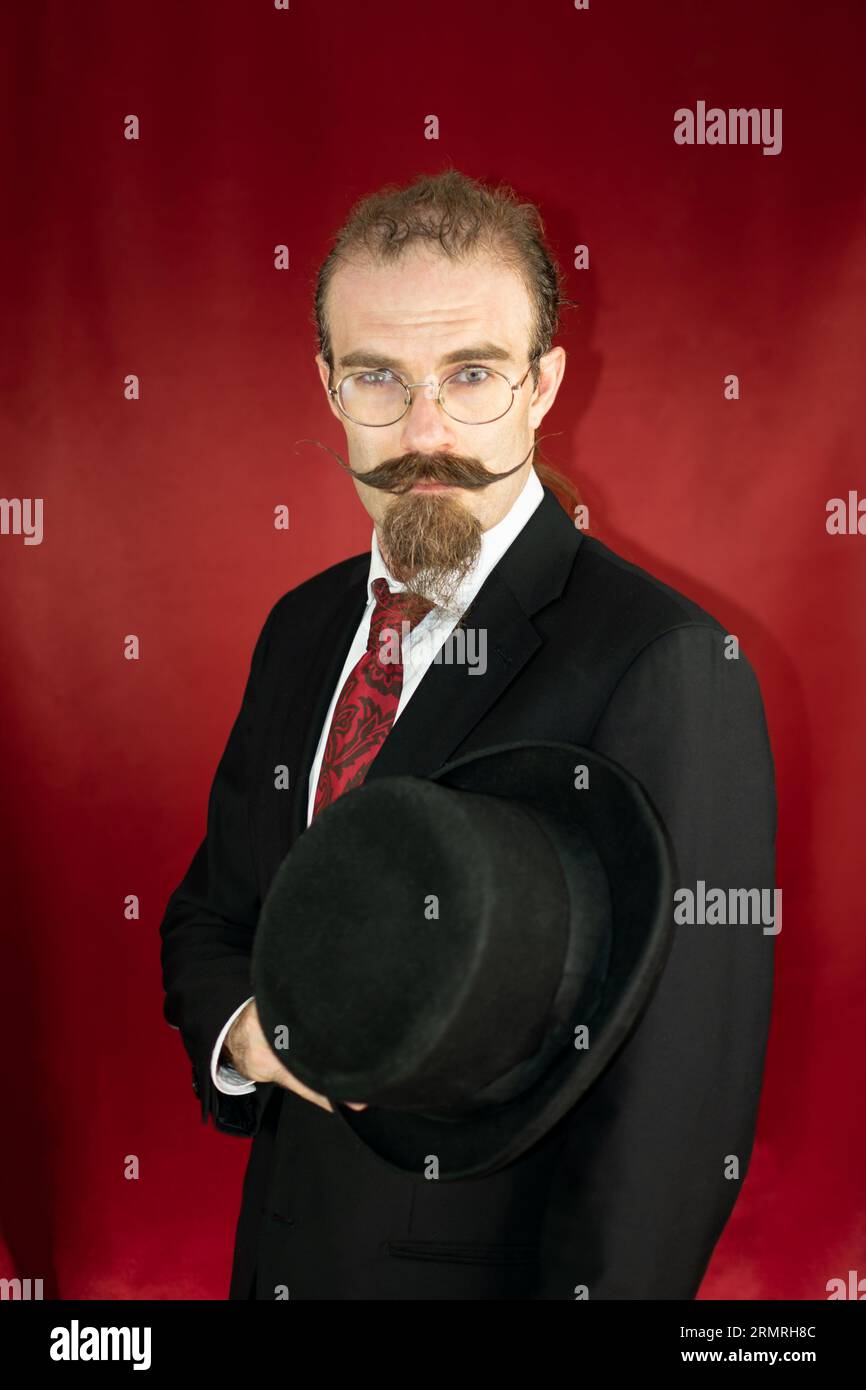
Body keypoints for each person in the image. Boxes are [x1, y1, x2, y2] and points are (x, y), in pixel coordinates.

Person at [159, 167, 776, 1300]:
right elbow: (215, 910)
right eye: (377, 379)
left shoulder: (663, 662)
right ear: (327, 386)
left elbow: (671, 1120)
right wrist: (249, 1032)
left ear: (542, 386)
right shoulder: (299, 628)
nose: (425, 433)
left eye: (473, 374)